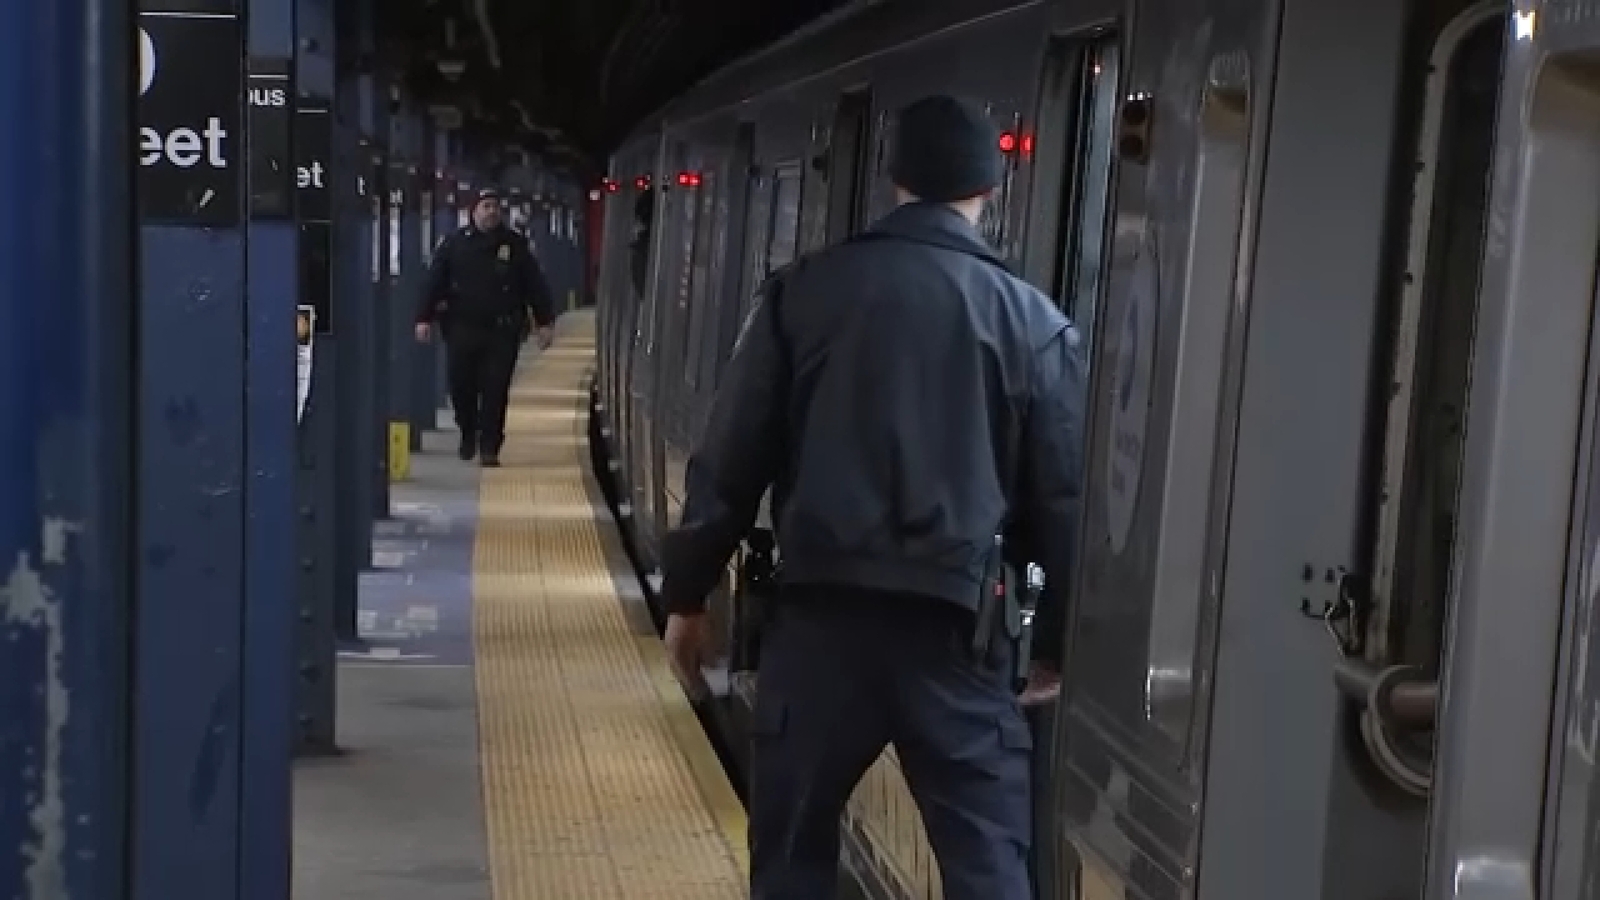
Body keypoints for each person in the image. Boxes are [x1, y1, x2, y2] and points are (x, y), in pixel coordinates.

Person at [659, 95, 1087, 900]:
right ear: (988, 192)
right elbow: (1058, 504)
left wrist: (687, 594)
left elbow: (730, 460)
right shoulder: (1036, 326)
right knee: (989, 863)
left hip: (821, 625)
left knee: (792, 851)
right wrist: (1049, 642)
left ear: (893, 179)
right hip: (960, 636)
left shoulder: (803, 295)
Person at [415, 187, 556, 467]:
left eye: (495, 207)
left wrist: (544, 321)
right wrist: (423, 317)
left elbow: (534, 284)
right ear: (474, 211)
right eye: (486, 206)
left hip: (502, 331)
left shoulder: (515, 246)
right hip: (462, 328)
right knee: (461, 387)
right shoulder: (454, 244)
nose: (491, 212)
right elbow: (434, 282)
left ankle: (490, 445)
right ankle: (468, 431)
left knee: (496, 389)